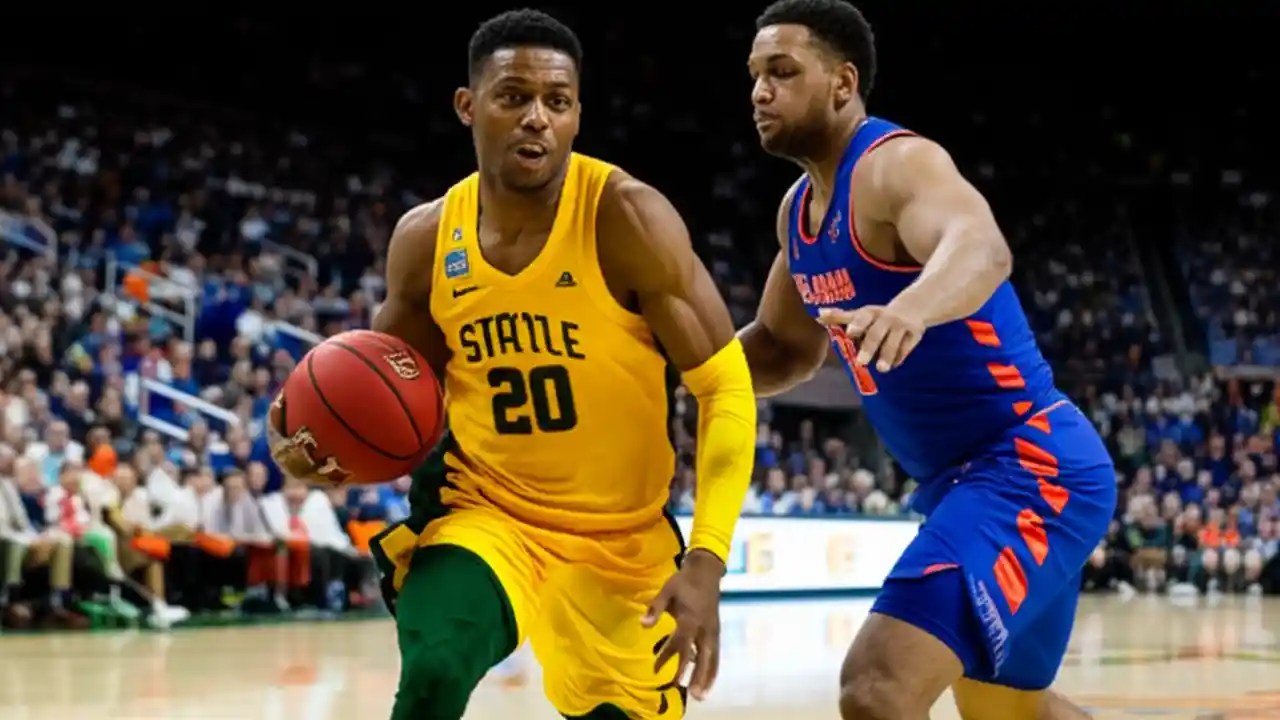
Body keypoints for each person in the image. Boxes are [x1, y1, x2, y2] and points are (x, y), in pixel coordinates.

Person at [271, 9, 756, 720]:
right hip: (488, 509)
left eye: (556, 102)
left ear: (577, 115)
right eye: (514, 97)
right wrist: (324, 451)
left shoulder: (628, 218)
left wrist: (707, 562)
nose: (537, 118)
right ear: (468, 105)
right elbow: (399, 400)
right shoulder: (427, 240)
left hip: (621, 538)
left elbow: (726, 390)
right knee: (436, 666)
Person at [740, 1, 1116, 718]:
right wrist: (668, 367)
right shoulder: (797, 212)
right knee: (1008, 714)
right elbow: (784, 349)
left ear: (843, 82)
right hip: (962, 485)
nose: (761, 91)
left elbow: (982, 247)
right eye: (755, 75)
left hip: (1028, 465)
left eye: (782, 73)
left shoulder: (895, 165)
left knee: (877, 687)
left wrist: (909, 307)